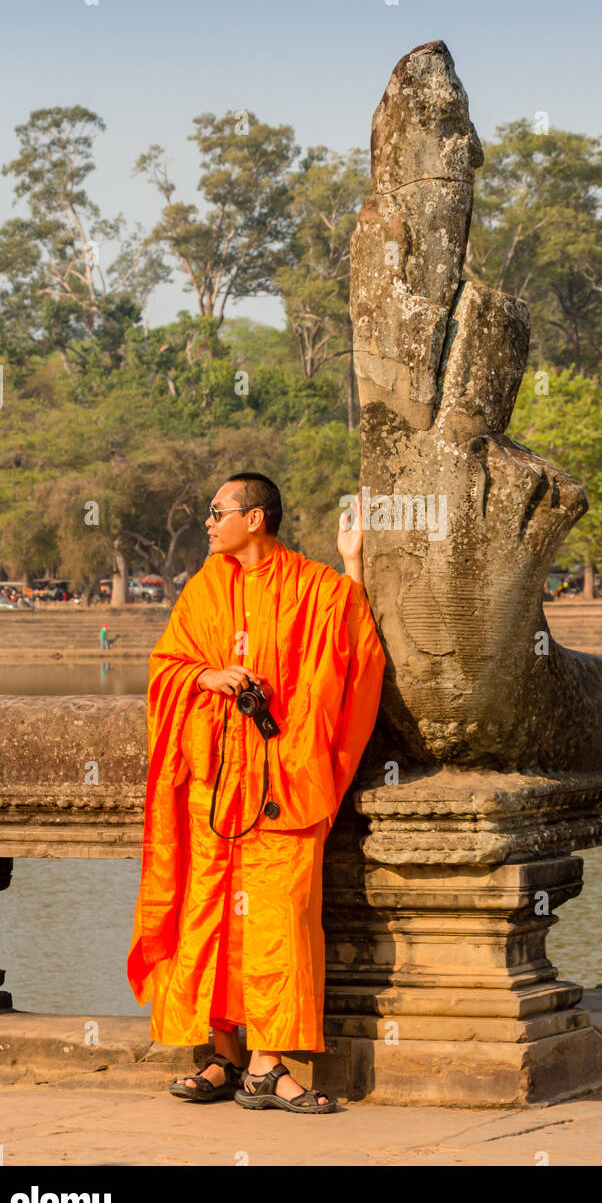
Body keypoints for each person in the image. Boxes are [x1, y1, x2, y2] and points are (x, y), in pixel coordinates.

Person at [126, 473, 385, 1114]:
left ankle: (270, 1065)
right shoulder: (204, 588)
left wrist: (352, 561)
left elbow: (351, 649)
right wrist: (208, 676)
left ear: (257, 517)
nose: (209, 522)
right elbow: (167, 667)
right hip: (213, 790)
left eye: (219, 512)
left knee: (282, 922)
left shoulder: (309, 584)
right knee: (208, 919)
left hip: (282, 786)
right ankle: (224, 1054)